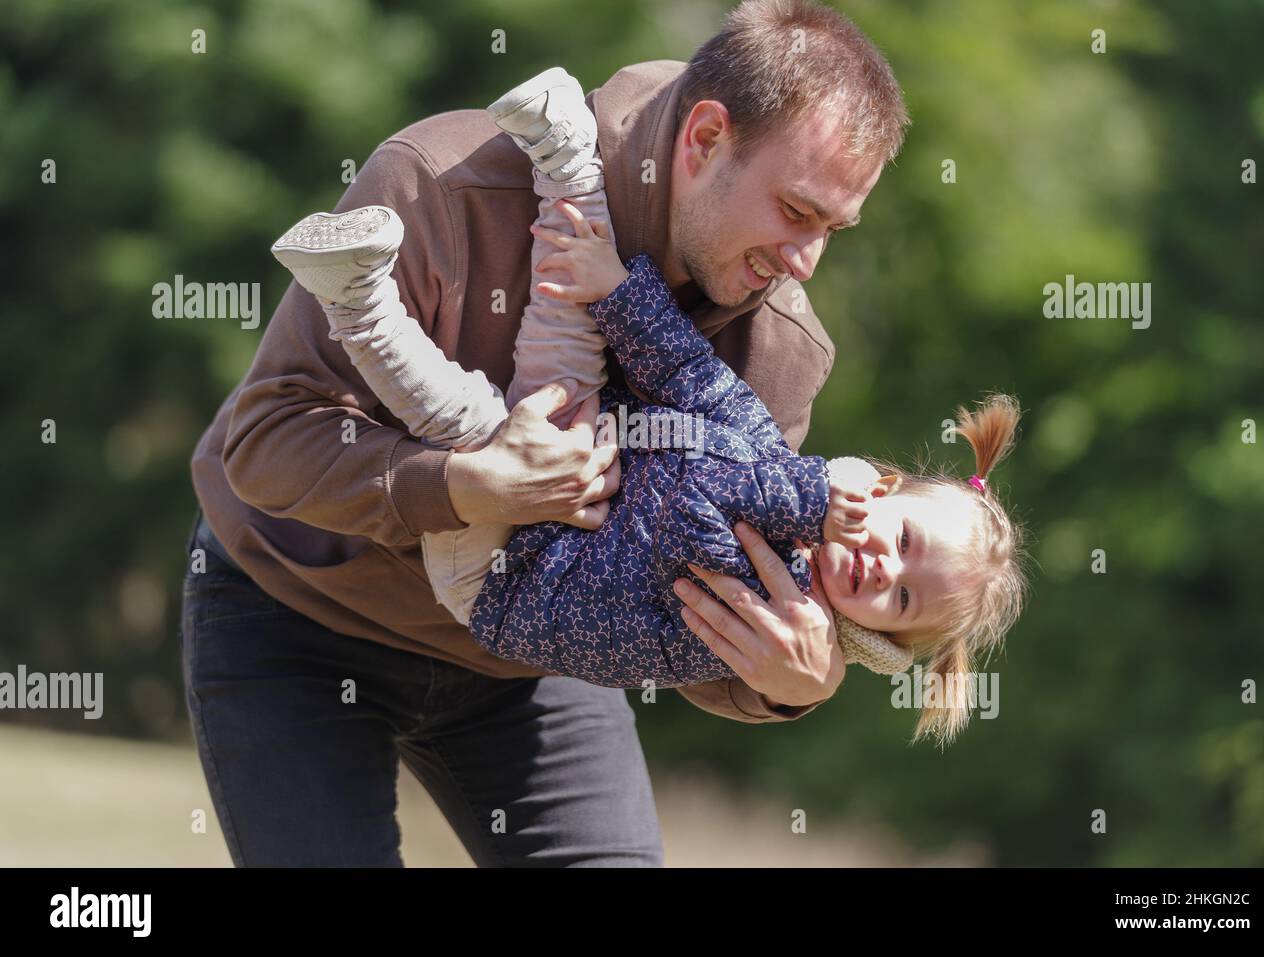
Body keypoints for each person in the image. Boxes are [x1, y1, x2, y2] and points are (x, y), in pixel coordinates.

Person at [183, 0, 911, 866]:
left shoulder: (781, 348)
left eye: (831, 229)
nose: (804, 260)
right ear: (706, 137)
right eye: (796, 210)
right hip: (298, 609)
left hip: (527, 665)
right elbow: (263, 443)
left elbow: (690, 616)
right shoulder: (443, 181)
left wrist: (795, 682)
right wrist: (464, 486)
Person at [271, 67, 1028, 748]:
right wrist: (615, 287)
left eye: (901, 597)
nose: (880, 566)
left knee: (470, 421)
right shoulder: (439, 178)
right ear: (883, 489)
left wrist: (807, 678)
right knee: (563, 346)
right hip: (334, 597)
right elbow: (690, 374)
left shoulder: (774, 594)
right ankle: (566, 159)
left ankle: (358, 297)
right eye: (901, 540)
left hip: (507, 578)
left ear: (886, 639)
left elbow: (691, 509)